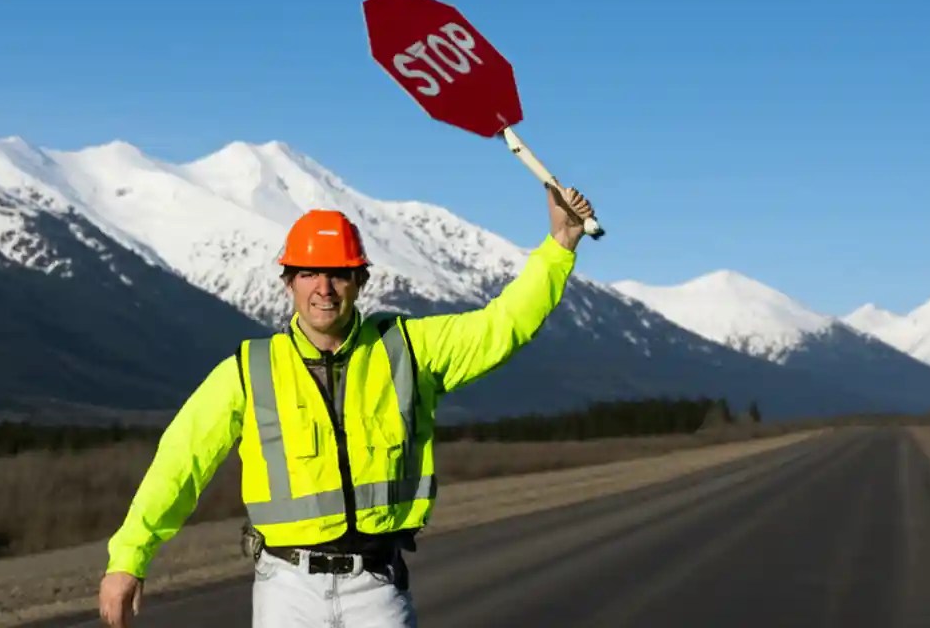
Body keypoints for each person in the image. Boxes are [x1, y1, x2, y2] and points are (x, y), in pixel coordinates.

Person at [99, 185, 595, 627]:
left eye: (338, 274)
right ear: (288, 281)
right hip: (285, 590)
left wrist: (560, 246)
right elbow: (179, 462)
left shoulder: (409, 348)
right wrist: (128, 558)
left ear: (360, 281)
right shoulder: (248, 371)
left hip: (376, 588)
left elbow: (502, 326)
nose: (324, 288)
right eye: (310, 273)